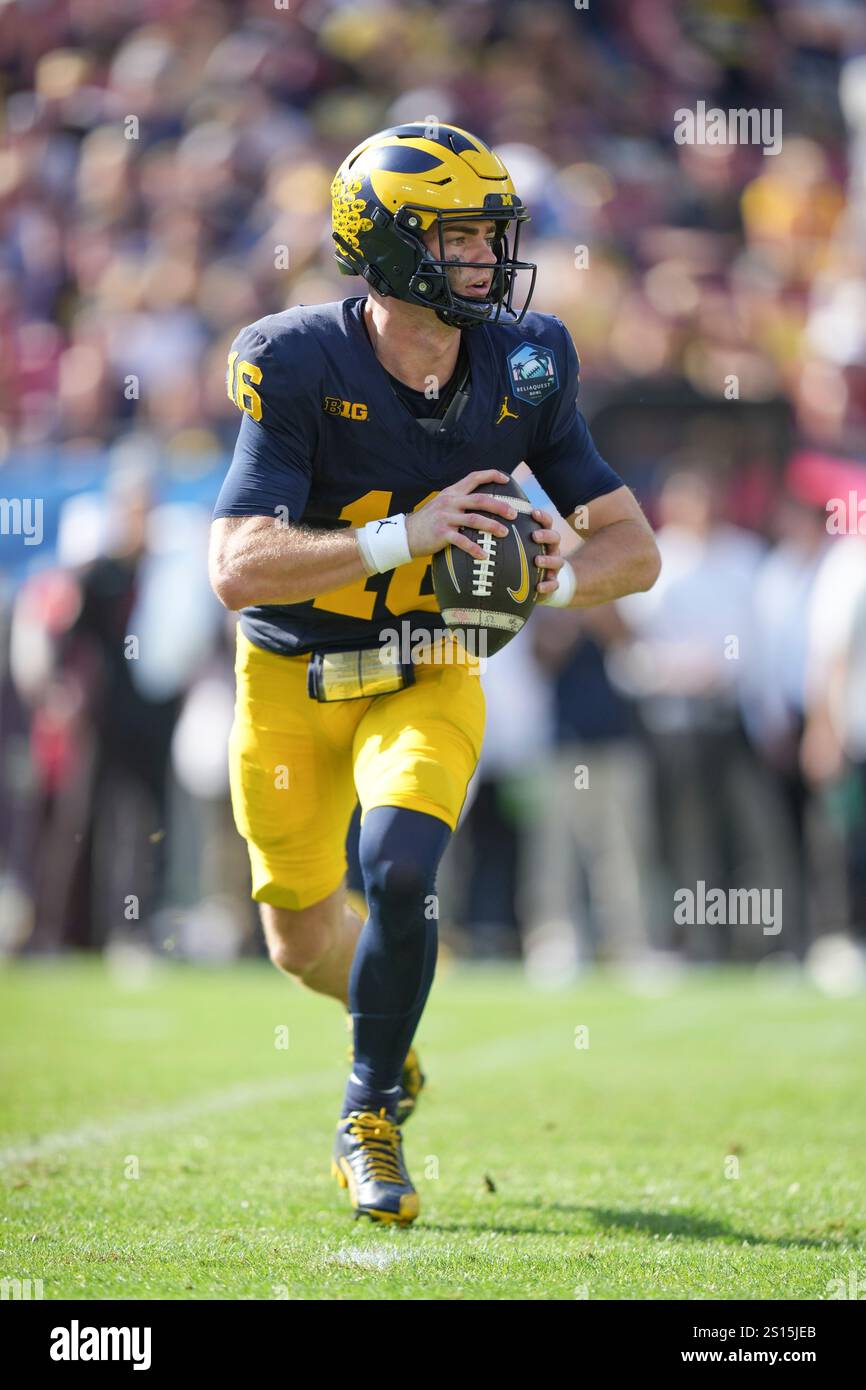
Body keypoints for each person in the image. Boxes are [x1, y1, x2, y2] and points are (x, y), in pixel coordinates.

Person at [208, 123, 660, 1226]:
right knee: (299, 941)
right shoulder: (297, 359)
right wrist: (401, 538)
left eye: (490, 234)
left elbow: (633, 549)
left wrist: (551, 580)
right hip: (292, 679)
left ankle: (368, 1109)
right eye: (458, 236)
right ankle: (389, 1028)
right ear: (386, 244)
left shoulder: (526, 359)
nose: (487, 257)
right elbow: (236, 568)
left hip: (429, 666)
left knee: (401, 872)